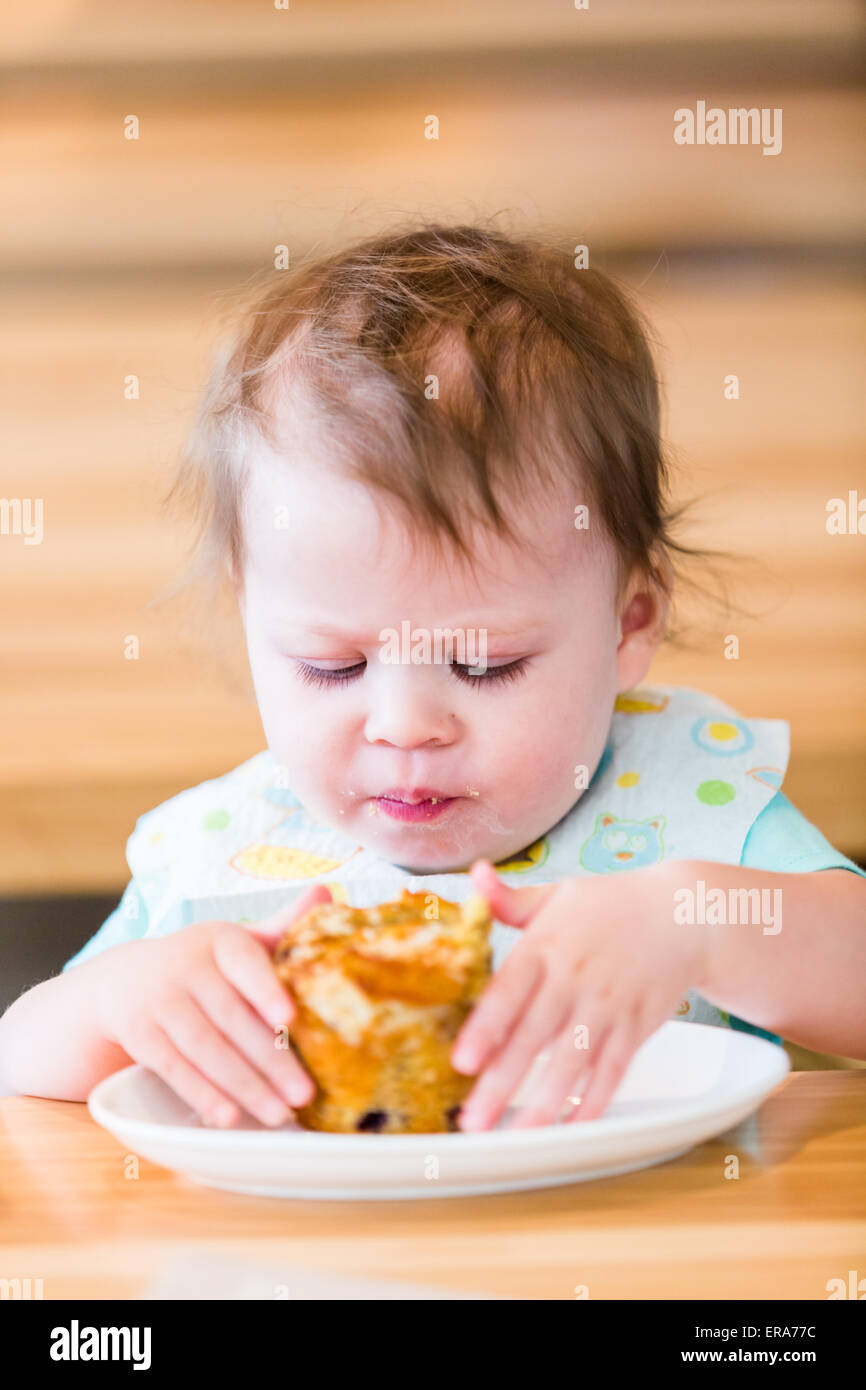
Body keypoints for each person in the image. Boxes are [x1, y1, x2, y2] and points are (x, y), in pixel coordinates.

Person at [2, 222, 863, 1132]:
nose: (405, 726)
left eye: (484, 664)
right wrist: (108, 1008)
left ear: (629, 623)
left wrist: (702, 924)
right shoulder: (223, 859)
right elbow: (21, 1062)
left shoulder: (692, 811)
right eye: (332, 666)